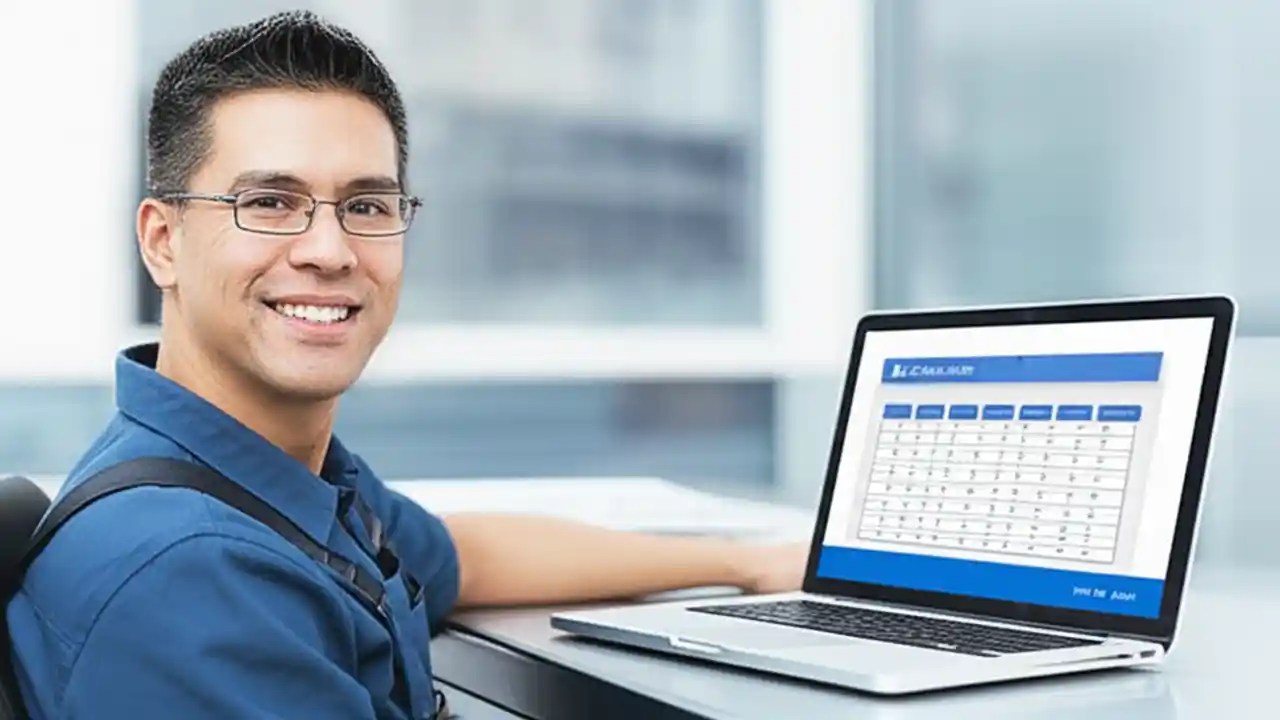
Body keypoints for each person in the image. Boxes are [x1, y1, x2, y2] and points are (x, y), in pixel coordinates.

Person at [4, 10, 803, 719]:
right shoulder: (187, 575)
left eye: (367, 205)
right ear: (161, 241)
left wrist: (743, 563)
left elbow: (465, 555)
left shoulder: (264, 476)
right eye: (270, 202)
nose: (329, 250)